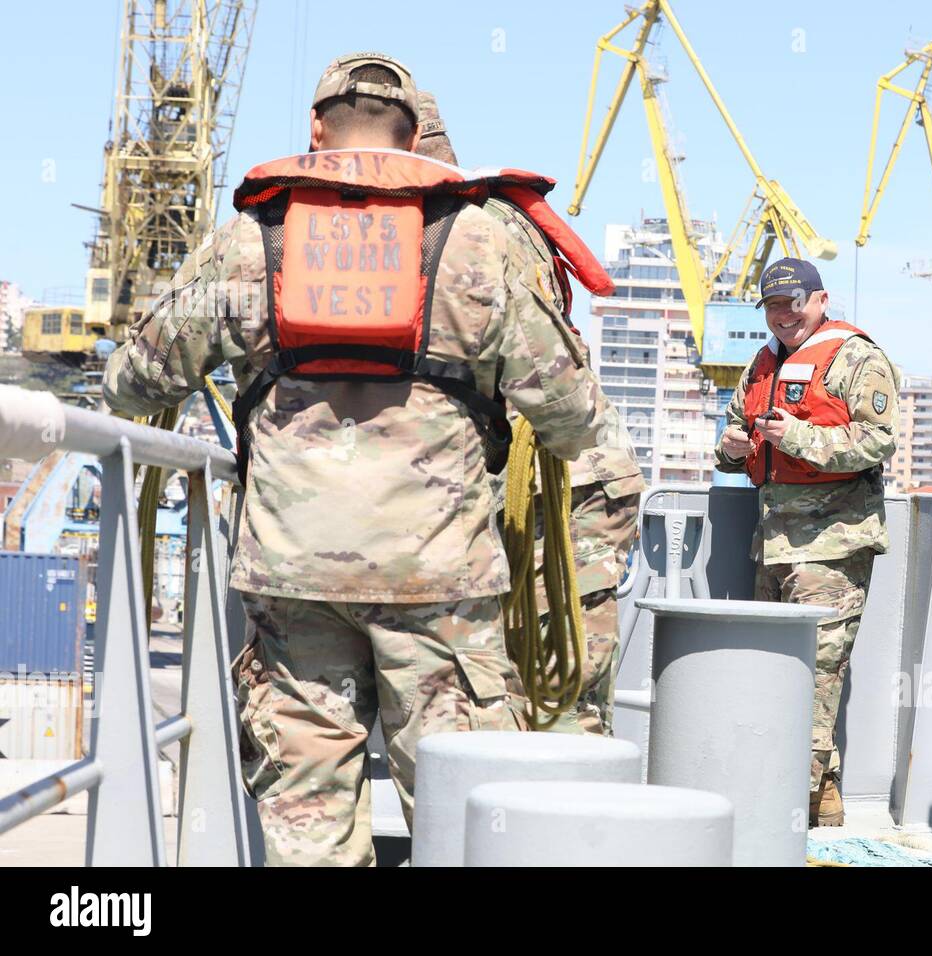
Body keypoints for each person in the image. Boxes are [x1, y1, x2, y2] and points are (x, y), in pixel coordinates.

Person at [103, 53, 613, 865]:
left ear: (315, 129)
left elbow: (135, 381)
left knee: (308, 825)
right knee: (465, 816)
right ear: (415, 138)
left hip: (291, 576)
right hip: (440, 578)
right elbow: (574, 417)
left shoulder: (253, 238)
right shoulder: (475, 240)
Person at [415, 92, 645, 735]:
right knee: (511, 682)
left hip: (564, 475)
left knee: (553, 690)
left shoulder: (479, 228)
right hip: (532, 471)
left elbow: (543, 381)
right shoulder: (451, 225)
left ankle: (572, 827)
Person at [714, 258, 900, 828]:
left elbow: (877, 442)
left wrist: (791, 434)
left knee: (816, 677)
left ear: (820, 300)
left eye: (794, 303)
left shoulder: (857, 358)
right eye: (772, 306)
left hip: (832, 548)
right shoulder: (762, 362)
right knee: (773, 676)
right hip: (771, 545)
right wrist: (731, 446)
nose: (784, 315)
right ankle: (823, 802)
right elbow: (731, 440)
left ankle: (788, 810)